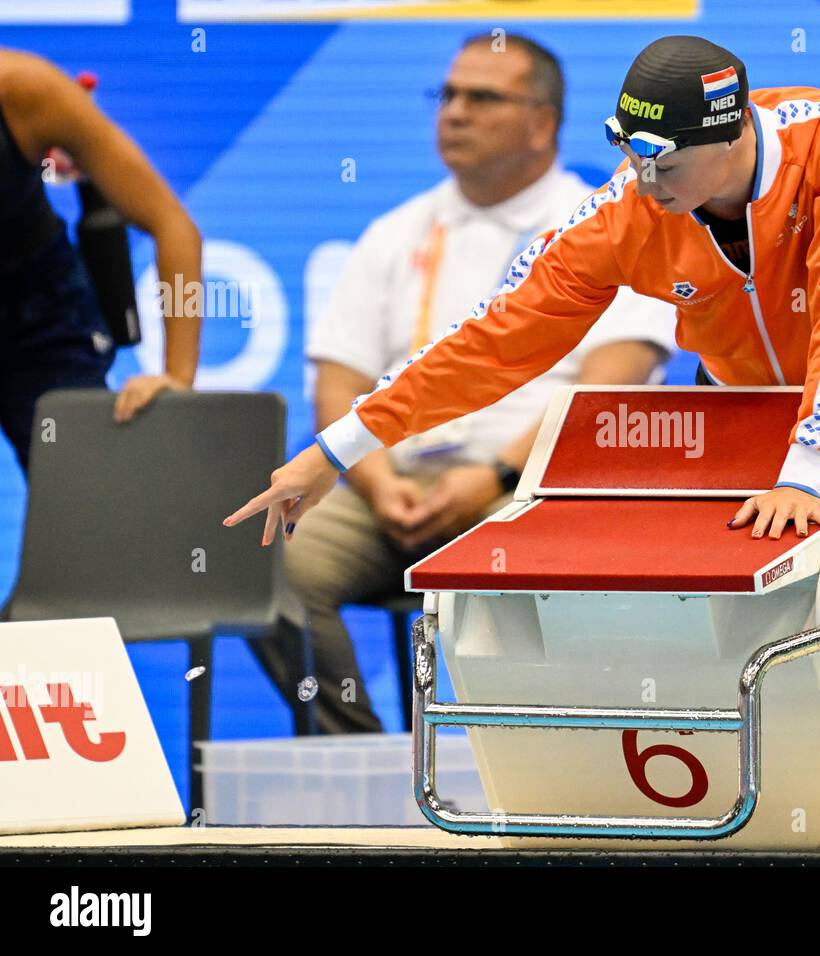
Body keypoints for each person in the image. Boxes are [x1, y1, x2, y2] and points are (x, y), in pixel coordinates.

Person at [226, 35, 820, 662]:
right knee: (746, 632)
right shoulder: (625, 213)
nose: (644, 183)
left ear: (731, 137)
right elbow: (492, 342)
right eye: (632, 159)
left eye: (664, 165)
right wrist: (333, 452)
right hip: (741, 408)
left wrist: (803, 473)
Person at [250, 34, 678, 733]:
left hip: (524, 490)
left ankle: (524, 777)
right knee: (265, 563)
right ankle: (363, 766)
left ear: (543, 122)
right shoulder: (397, 230)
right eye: (446, 96)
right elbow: (337, 382)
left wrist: (498, 475)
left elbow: (614, 387)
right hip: (393, 487)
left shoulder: (608, 221)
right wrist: (378, 481)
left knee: (535, 567)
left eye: (482, 98)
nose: (453, 113)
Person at [0, 48, 202, 471]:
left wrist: (179, 376)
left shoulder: (25, 90)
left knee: (92, 500)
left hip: (37, 312)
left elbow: (172, 225)